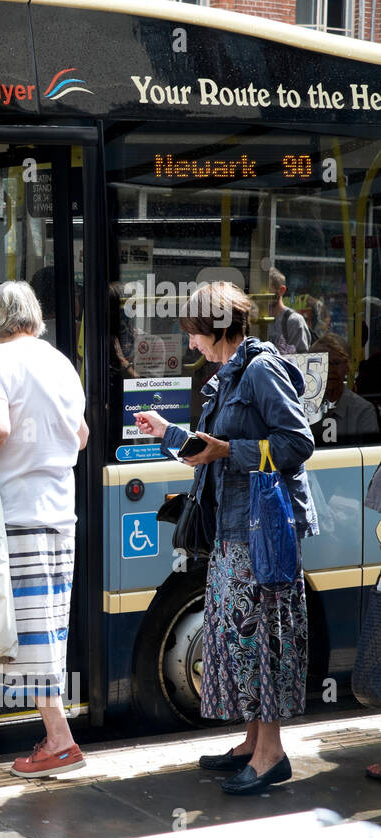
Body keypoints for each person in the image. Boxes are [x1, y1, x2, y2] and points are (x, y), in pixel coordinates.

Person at [135, 282, 318, 796]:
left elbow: (296, 444)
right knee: (239, 638)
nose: (190, 344)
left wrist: (230, 452)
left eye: (193, 333)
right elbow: (212, 446)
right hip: (234, 527)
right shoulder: (230, 373)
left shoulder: (260, 369)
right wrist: (167, 433)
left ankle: (271, 754)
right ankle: (250, 743)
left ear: (215, 329)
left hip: (261, 531)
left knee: (264, 638)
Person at [0, 280, 89, 777]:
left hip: (13, 514)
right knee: (42, 625)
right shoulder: (60, 363)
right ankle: (35, 725)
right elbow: (82, 435)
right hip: (58, 512)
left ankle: (59, 740)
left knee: (17, 625)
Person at [312, 332, 380, 441]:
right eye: (323, 363)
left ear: (347, 367)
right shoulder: (302, 407)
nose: (330, 370)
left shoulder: (363, 411)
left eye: (336, 363)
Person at [267, 267, 310, 355]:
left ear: (281, 291)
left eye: (267, 290)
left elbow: (300, 358)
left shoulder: (293, 321)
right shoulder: (255, 320)